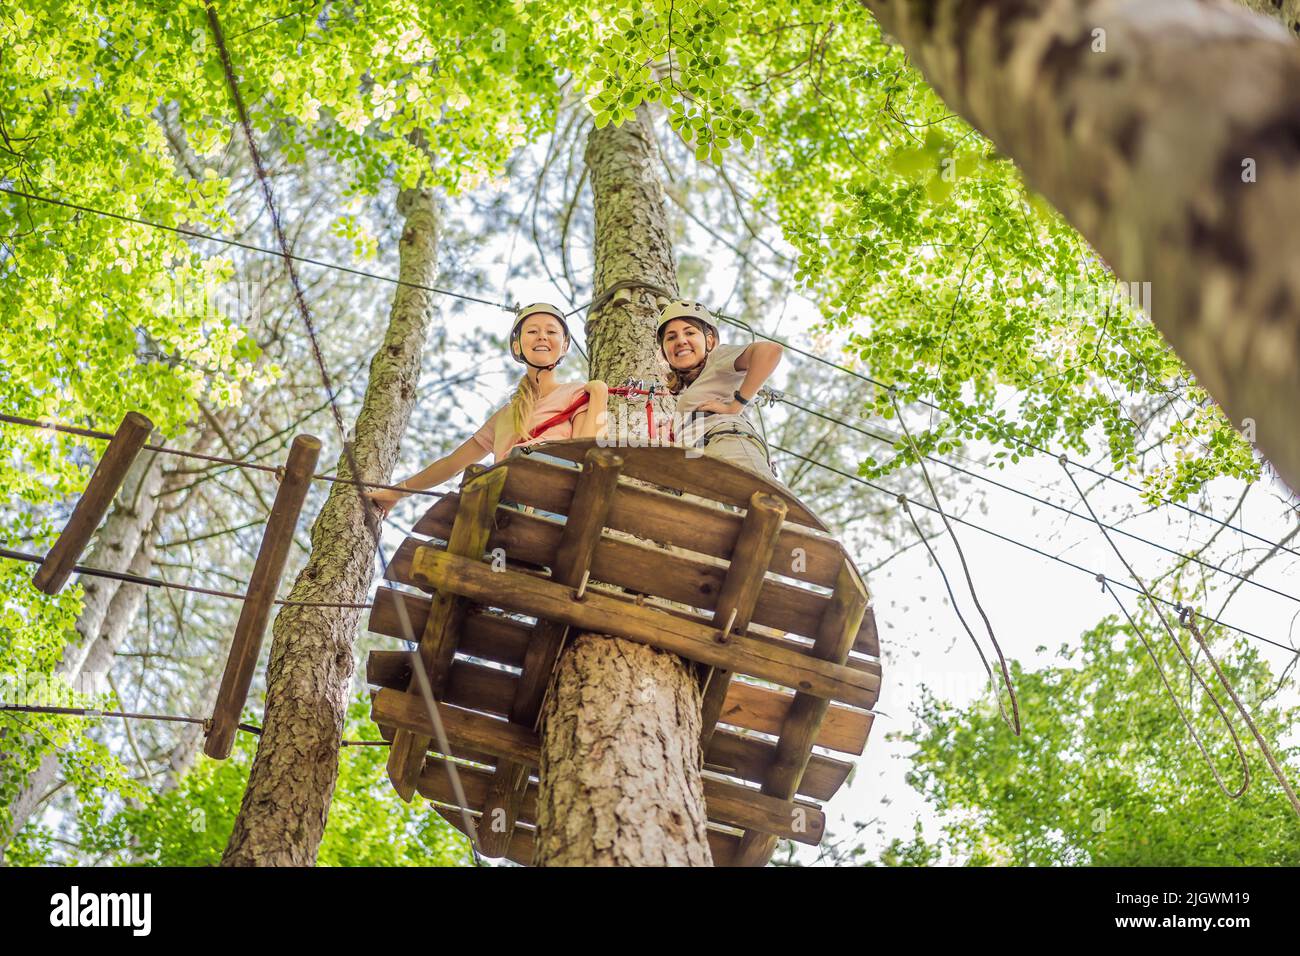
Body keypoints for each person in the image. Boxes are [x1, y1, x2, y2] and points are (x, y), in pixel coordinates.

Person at [368, 303, 607, 514]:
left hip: (553, 501)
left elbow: (586, 449)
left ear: (564, 345)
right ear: (517, 346)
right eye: (532, 331)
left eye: (551, 331)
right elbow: (452, 464)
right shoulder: (504, 416)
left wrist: (598, 394)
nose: (542, 336)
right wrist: (397, 492)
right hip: (503, 502)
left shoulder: (575, 393)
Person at [656, 299, 783, 481]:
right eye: (671, 337)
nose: (681, 341)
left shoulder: (717, 359)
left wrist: (735, 406)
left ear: (709, 341)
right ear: (664, 351)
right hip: (698, 459)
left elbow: (770, 351)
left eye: (690, 332)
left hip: (727, 442)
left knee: (755, 498)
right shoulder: (692, 389)